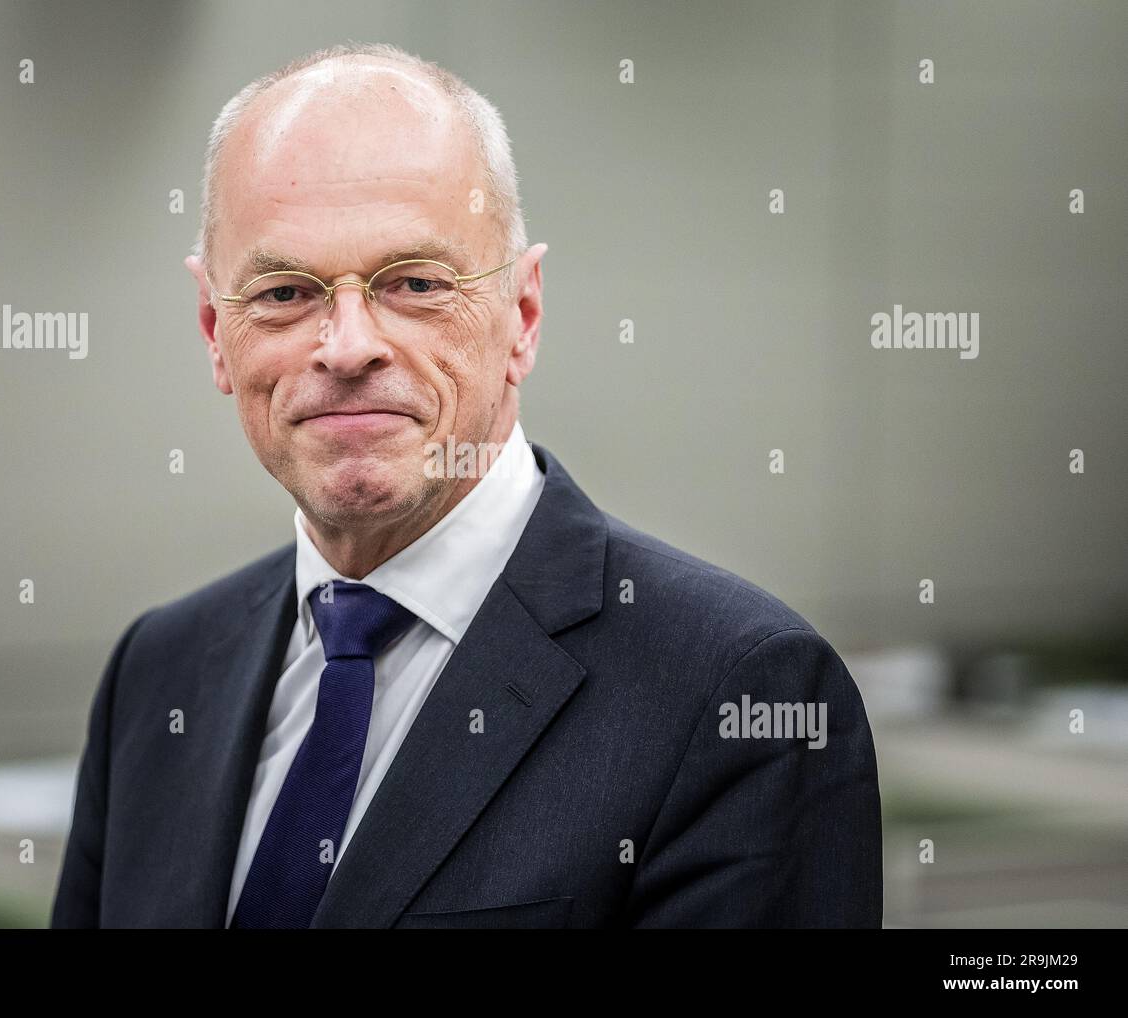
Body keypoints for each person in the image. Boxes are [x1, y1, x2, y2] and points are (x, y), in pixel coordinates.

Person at [51, 42, 882, 929]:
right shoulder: (159, 672)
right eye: (286, 291)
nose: (346, 345)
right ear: (216, 331)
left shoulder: (740, 694)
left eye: (413, 283)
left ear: (521, 316)